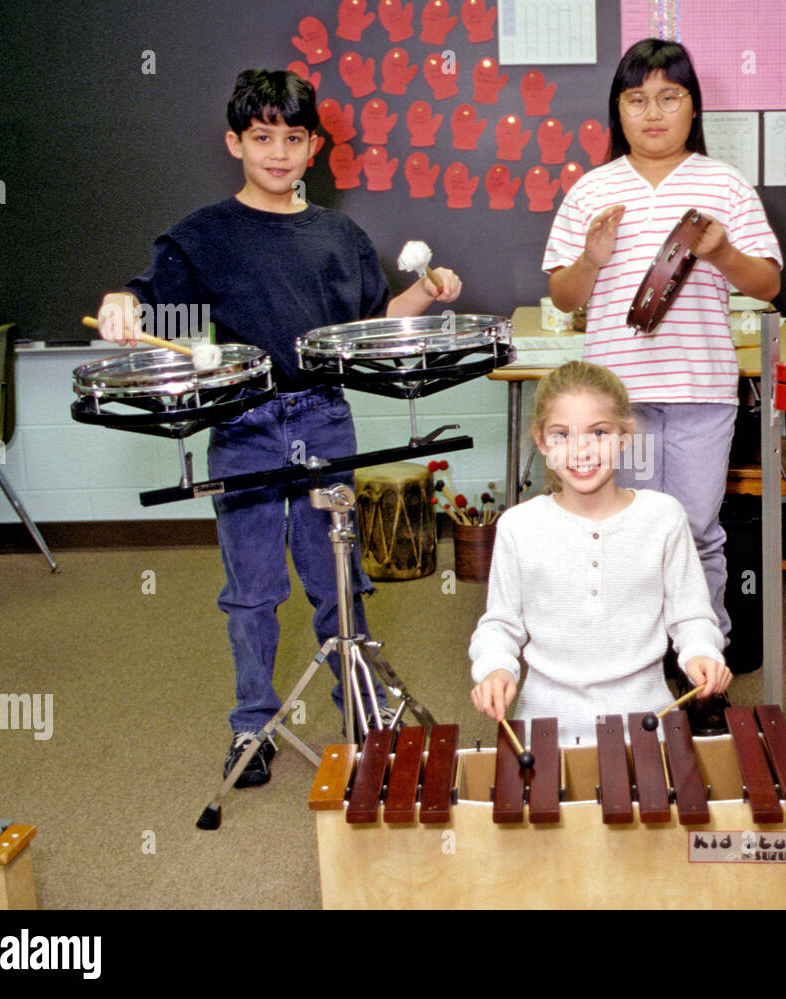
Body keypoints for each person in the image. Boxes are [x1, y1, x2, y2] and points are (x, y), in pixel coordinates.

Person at [96, 69, 461, 787]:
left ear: (315, 147)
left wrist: (424, 291)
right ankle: (251, 726)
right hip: (244, 426)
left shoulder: (339, 234)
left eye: (293, 138)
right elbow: (144, 293)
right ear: (235, 142)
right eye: (262, 137)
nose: (278, 152)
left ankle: (361, 710)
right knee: (253, 590)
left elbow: (370, 326)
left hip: (324, 418)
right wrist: (122, 303)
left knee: (338, 579)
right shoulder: (203, 234)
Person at [542, 38, 781, 723]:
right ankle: (635, 668)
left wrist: (722, 251)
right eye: (636, 98)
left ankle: (702, 670)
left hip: (703, 392)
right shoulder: (594, 188)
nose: (653, 112)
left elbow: (767, 281)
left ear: (693, 106)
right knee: (629, 534)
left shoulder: (724, 183)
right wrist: (592, 258)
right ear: (617, 110)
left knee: (699, 530)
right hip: (620, 402)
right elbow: (563, 295)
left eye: (669, 97)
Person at [469, 361, 732, 747]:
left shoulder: (663, 517)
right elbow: (501, 625)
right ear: (541, 442)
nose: (581, 450)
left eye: (599, 432)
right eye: (561, 434)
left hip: (646, 723)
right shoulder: (518, 525)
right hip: (544, 725)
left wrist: (701, 652)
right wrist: (494, 669)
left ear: (625, 437)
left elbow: (691, 616)